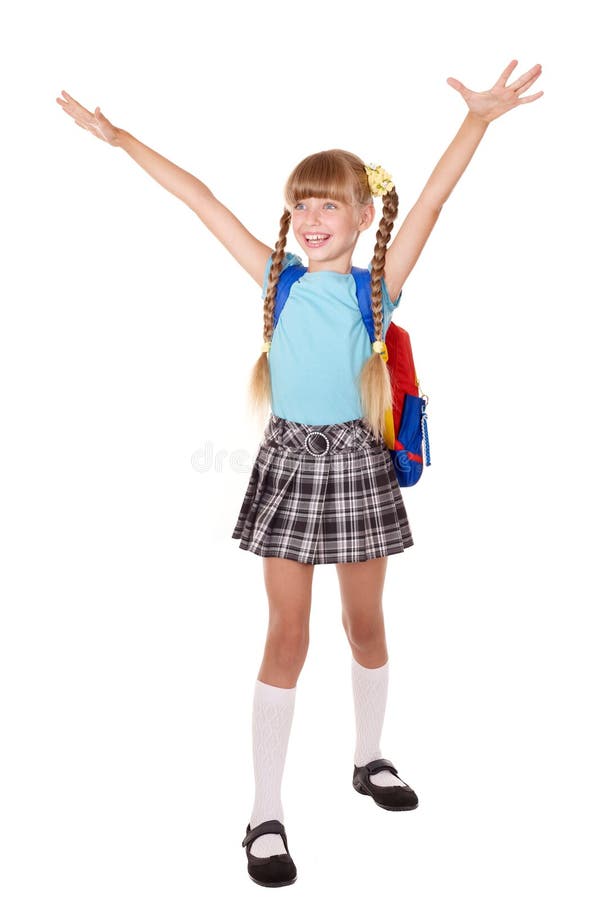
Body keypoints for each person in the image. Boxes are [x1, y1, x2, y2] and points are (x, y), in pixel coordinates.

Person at [56, 58, 543, 888]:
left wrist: (478, 121)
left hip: (358, 468)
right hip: (289, 464)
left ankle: (368, 758)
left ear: (360, 216)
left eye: (330, 202)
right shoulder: (276, 281)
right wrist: (120, 138)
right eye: (301, 200)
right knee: (286, 635)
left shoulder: (375, 290)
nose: (312, 214)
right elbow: (201, 197)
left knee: (366, 627)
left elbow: (430, 202)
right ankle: (265, 813)